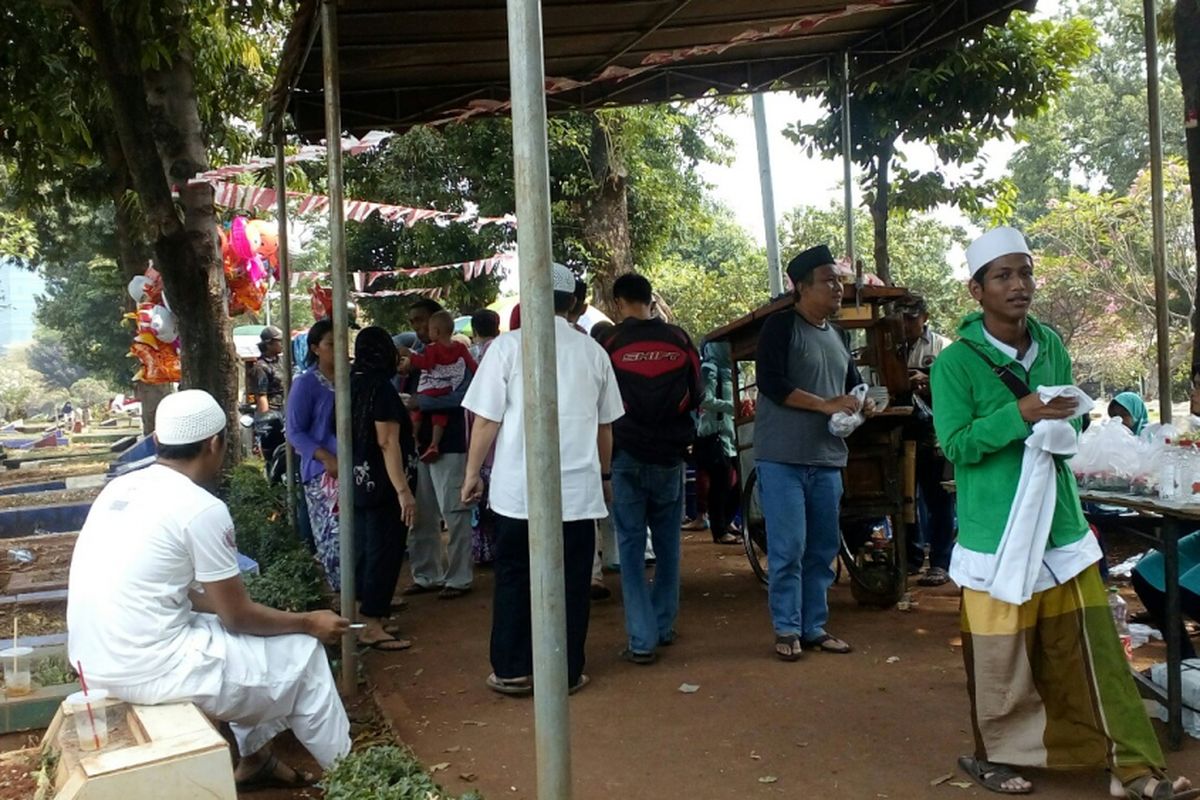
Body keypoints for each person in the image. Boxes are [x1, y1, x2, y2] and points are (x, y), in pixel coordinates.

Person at [932, 226, 1191, 798]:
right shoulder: (956, 364)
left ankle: (1134, 767)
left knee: (1096, 647)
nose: (1018, 285)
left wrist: (1063, 420)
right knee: (1002, 659)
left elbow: (1072, 420)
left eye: (1024, 272)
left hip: (1062, 526)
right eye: (1002, 275)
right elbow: (956, 445)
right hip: (996, 533)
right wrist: (1022, 412)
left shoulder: (1049, 342)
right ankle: (995, 754)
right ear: (976, 289)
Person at [66, 390, 350, 789]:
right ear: (215, 443)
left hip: (90, 660)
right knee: (302, 656)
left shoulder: (119, 489)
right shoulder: (201, 507)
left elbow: (199, 600)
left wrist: (257, 617)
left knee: (252, 647)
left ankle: (254, 760)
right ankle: (354, 778)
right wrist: (308, 622)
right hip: (148, 668)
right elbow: (238, 616)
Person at [461, 262, 624, 696]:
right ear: (573, 304)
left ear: (527, 299)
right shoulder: (593, 352)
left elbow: (485, 421)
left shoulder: (507, 348)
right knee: (572, 582)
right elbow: (605, 427)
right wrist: (605, 475)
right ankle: (565, 671)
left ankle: (513, 668)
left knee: (515, 575)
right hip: (577, 491)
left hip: (518, 491)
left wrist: (472, 473)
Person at [755, 244, 865, 661]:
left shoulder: (838, 336)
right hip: (781, 457)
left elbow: (850, 387)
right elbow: (770, 382)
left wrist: (861, 403)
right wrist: (824, 404)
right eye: (829, 280)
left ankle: (813, 625)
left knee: (822, 546)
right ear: (801, 288)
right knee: (788, 547)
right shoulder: (780, 326)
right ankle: (786, 627)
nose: (838, 287)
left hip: (826, 458)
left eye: (838, 280)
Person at [602, 273, 701, 665]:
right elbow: (697, 393)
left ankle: (641, 640)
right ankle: (663, 625)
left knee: (629, 547)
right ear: (648, 299)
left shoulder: (609, 343)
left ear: (620, 303)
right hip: (670, 456)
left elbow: (600, 400)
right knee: (668, 546)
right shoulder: (678, 339)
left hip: (625, 454)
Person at [401, 298, 475, 600]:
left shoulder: (458, 353)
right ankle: (426, 574)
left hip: (452, 443)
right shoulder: (417, 358)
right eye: (413, 323)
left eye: (422, 321)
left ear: (439, 322)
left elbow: (466, 394)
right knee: (422, 515)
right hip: (419, 446)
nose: (418, 328)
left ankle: (458, 577)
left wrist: (423, 403)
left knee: (455, 511)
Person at [350, 327, 419, 650]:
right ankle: (373, 625)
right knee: (384, 552)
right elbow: (388, 441)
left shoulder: (352, 384)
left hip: (359, 481)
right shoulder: (381, 390)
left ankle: (363, 615)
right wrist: (403, 491)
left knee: (365, 549)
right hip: (384, 484)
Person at [897, 295, 956, 587]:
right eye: (902, 318)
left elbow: (956, 387)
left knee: (938, 500)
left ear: (924, 317)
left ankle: (941, 562)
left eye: (911, 318)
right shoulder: (888, 345)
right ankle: (911, 558)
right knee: (905, 499)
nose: (906, 324)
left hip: (934, 434)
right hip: (899, 432)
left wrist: (927, 381)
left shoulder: (942, 347)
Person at [286, 319, 341, 588]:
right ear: (316, 348)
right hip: (322, 474)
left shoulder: (352, 378)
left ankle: (366, 601)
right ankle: (344, 600)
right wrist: (325, 457)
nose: (339, 349)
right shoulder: (306, 384)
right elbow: (294, 431)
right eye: (332, 344)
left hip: (356, 469)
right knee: (333, 537)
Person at [397, 310, 478, 464]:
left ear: (435, 329)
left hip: (450, 446)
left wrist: (412, 357)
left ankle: (417, 437)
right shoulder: (459, 348)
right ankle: (430, 443)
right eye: (411, 321)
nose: (415, 326)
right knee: (438, 416)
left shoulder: (431, 351)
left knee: (421, 412)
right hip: (423, 452)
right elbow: (474, 366)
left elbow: (462, 396)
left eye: (419, 320)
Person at [695, 340, 741, 546]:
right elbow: (705, 400)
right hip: (714, 437)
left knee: (736, 484)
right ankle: (719, 530)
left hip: (729, 437)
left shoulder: (730, 370)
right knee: (720, 485)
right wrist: (734, 407)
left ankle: (725, 522)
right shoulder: (709, 369)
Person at [251, 325, 287, 413]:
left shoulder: (282, 361)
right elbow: (261, 396)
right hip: (274, 412)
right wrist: (267, 419)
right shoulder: (261, 367)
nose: (282, 344)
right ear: (268, 344)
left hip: (286, 408)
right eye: (279, 341)